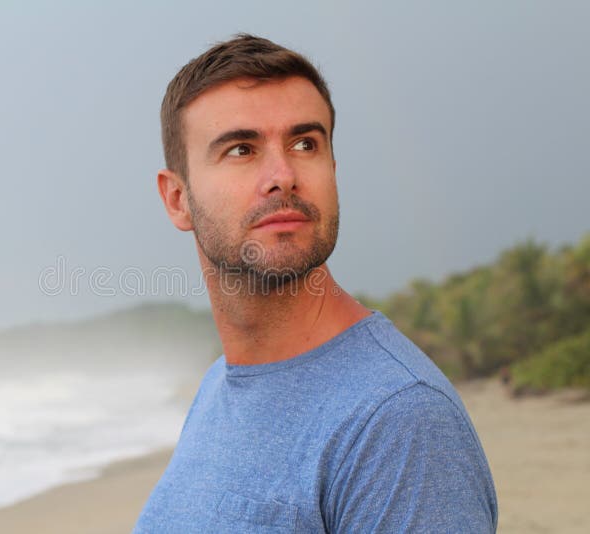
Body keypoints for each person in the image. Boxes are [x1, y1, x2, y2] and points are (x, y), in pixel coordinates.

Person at [134, 34, 497, 533]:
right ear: (177, 199)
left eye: (306, 144)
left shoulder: (398, 420)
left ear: (332, 167)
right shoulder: (220, 384)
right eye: (242, 149)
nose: (282, 175)